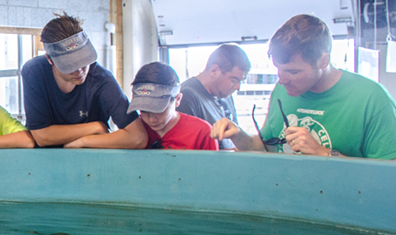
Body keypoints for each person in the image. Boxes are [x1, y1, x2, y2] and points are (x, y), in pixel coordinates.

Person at [211, 14, 396, 159]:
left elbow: (388, 174)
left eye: (293, 72)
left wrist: (323, 153)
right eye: (279, 70)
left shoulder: (371, 98)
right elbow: (265, 147)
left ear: (323, 61)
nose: (282, 80)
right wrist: (238, 135)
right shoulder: (282, 90)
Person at [22, 13, 146, 149]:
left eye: (83, 60)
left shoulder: (102, 79)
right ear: (50, 60)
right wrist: (95, 127)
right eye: (69, 66)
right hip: (44, 160)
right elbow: (42, 136)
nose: (80, 70)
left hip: (89, 160)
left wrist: (83, 142)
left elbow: (138, 137)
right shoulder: (34, 71)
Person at [128, 62, 217, 150]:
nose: (151, 119)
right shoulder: (132, 130)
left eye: (158, 109)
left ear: (177, 99)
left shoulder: (202, 132)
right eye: (144, 110)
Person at [177, 43, 250, 150]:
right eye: (234, 80)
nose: (237, 87)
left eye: (240, 81)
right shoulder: (187, 97)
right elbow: (190, 153)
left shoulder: (225, 95)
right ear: (214, 71)